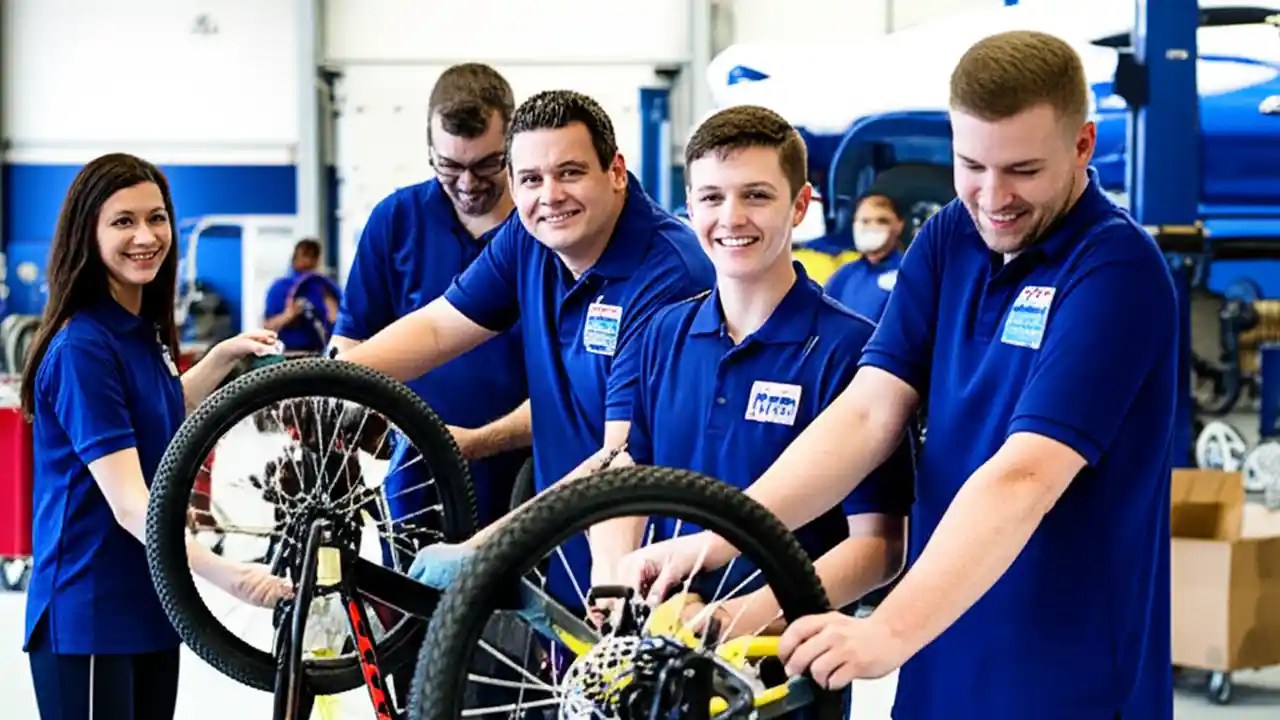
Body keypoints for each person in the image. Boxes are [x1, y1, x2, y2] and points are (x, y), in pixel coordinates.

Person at [620, 30, 1178, 720]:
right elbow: (868, 414)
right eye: (971, 164)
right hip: (942, 647)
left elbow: (1026, 475)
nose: (993, 196)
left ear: (1084, 145)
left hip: (1068, 670)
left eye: (1024, 171)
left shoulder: (1115, 271)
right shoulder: (952, 237)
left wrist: (886, 629)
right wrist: (722, 535)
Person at [338, 88, 715, 601]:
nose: (551, 195)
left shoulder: (668, 273)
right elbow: (438, 329)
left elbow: (619, 457)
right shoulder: (528, 238)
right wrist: (323, 384)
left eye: (571, 172)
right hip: (564, 551)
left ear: (616, 172)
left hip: (649, 572)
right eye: (532, 179)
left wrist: (485, 546)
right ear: (513, 184)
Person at [616, 105, 911, 635]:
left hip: (786, 673)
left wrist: (735, 620)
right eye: (711, 197)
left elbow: (878, 547)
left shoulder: (852, 351)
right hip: (659, 654)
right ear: (687, 207)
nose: (731, 218)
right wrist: (614, 585)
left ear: (800, 206)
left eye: (756, 195)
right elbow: (630, 474)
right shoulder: (662, 334)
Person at [19, 153, 294, 720]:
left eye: (157, 218)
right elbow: (129, 504)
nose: (146, 236)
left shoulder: (140, 331)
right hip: (90, 612)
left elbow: (159, 409)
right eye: (123, 221)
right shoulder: (82, 348)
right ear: (87, 233)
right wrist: (229, 576)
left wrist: (221, 357)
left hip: (149, 601)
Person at [330, 63, 531, 532]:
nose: (468, 183)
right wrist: (340, 407)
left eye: (487, 164)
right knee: (414, 596)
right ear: (428, 150)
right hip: (418, 468)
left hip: (527, 464)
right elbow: (353, 340)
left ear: (513, 147)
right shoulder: (396, 220)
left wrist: (485, 440)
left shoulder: (543, 228)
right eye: (450, 166)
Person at [824, 192, 905, 321]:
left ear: (899, 225)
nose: (873, 227)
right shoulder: (845, 275)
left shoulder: (912, 275)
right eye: (865, 221)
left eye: (882, 221)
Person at [262, 238, 341, 353]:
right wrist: (288, 315)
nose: (308, 260)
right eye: (305, 255)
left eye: (313, 256)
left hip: (318, 354)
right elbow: (268, 326)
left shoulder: (326, 287)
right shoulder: (280, 287)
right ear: (295, 258)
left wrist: (327, 300)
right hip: (287, 353)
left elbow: (340, 324)